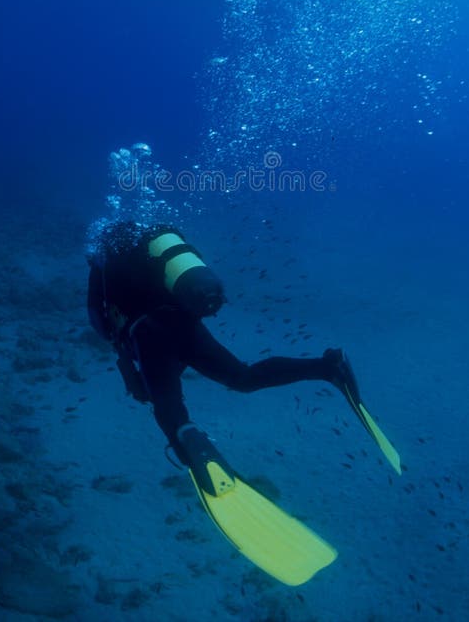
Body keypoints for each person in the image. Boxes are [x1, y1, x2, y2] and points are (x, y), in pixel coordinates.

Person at [86, 216, 401, 585]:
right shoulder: (155, 255)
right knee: (242, 377)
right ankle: (328, 367)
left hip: (147, 335)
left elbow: (102, 324)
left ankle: (194, 444)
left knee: (169, 408)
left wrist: (129, 361)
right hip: (184, 324)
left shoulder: (103, 269)